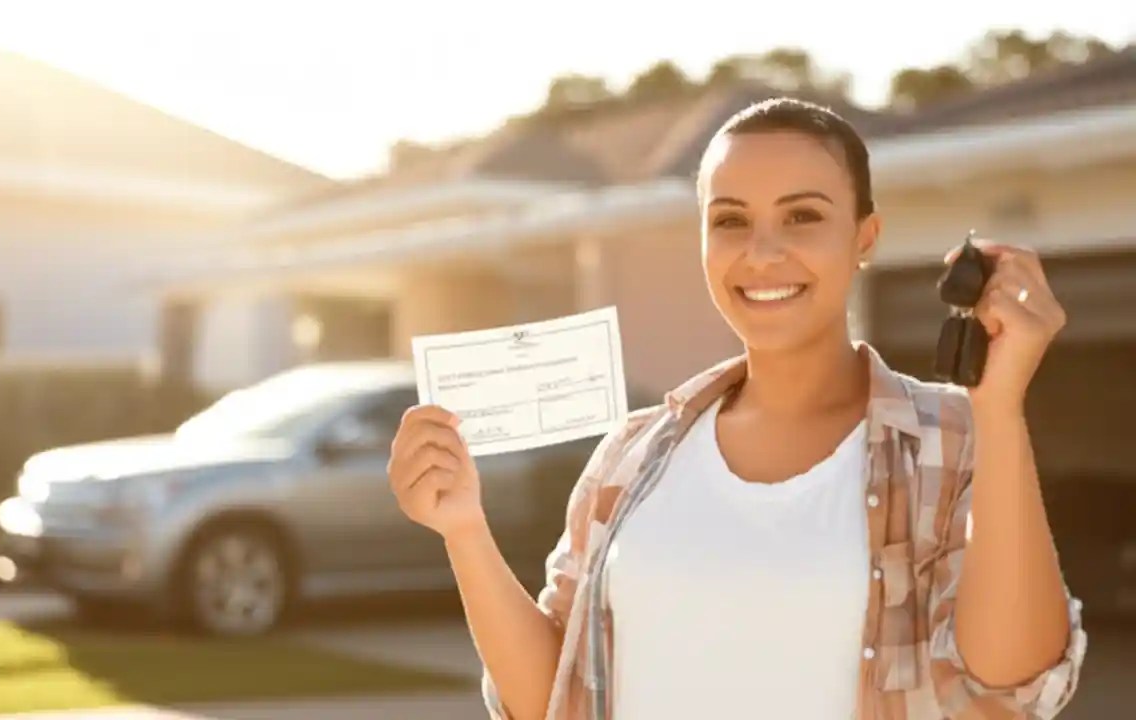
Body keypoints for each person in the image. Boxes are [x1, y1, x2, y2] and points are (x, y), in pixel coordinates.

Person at [386, 97, 1087, 720]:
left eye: (803, 215)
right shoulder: (631, 456)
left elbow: (1013, 684)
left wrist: (998, 410)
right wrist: (464, 530)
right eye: (730, 221)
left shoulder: (953, 438)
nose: (763, 252)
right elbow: (553, 698)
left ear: (865, 239)